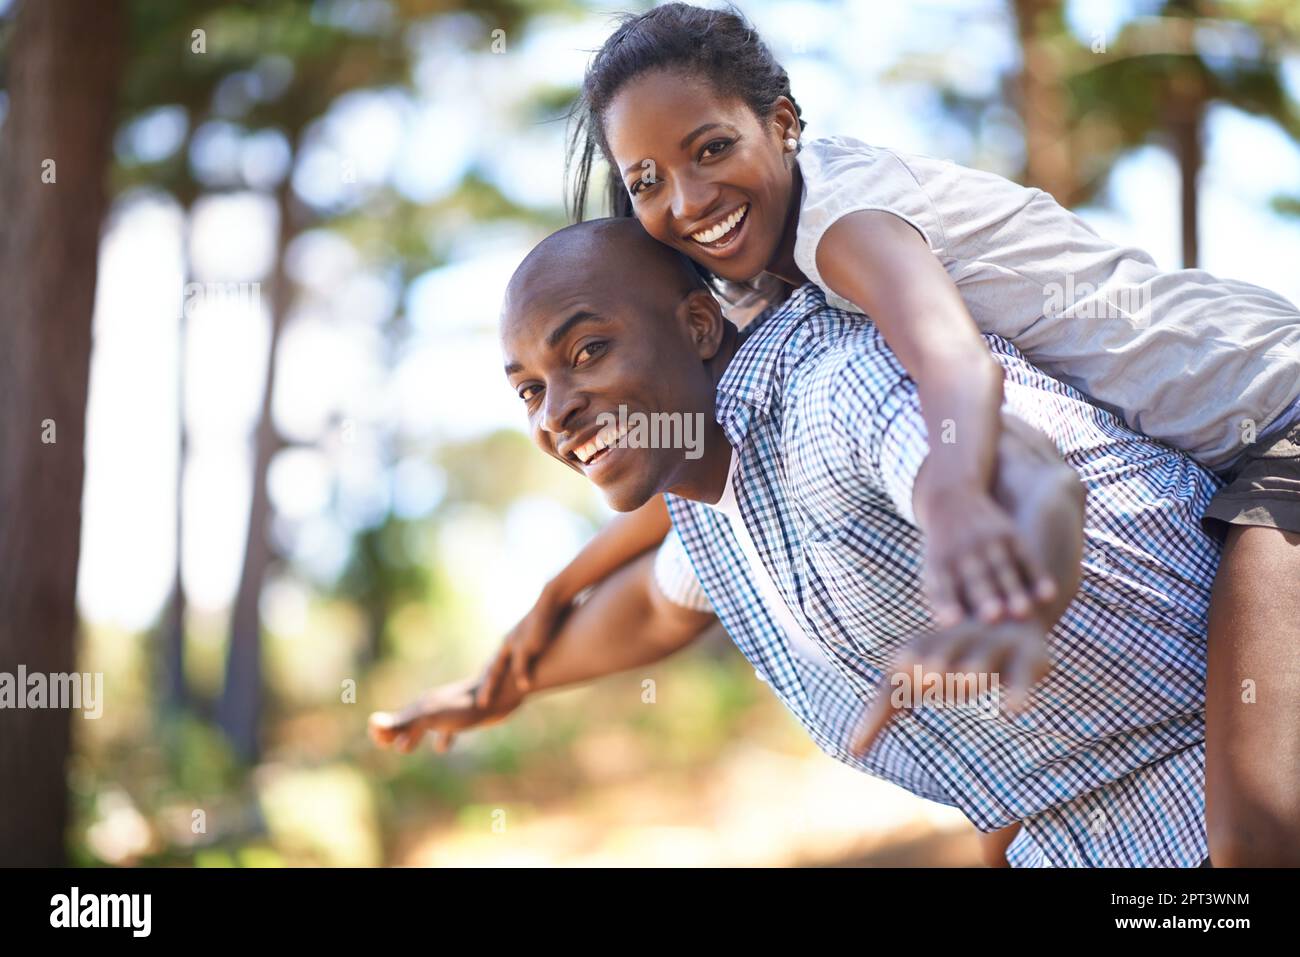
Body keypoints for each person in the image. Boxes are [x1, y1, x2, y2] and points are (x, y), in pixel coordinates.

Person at [484, 2, 1300, 866]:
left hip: (1281, 417)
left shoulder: (843, 223)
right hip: (1219, 455)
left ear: (785, 124)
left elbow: (953, 366)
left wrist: (953, 499)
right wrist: (553, 595)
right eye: (645, 179)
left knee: (1253, 837)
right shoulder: (761, 284)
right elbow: (716, 483)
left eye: (712, 148)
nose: (686, 198)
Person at [375, 219, 1237, 866]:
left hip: (1228, 780)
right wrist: (498, 690)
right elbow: (651, 608)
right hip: (1086, 835)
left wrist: (1020, 566)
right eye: (527, 389)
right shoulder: (718, 496)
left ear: (700, 327)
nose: (555, 410)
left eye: (588, 350)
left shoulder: (830, 388)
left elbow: (999, 460)